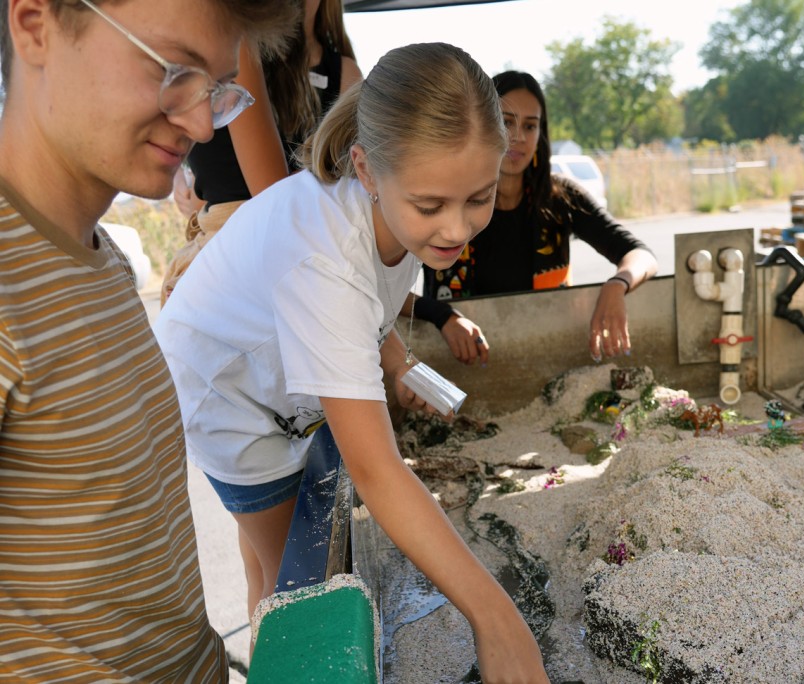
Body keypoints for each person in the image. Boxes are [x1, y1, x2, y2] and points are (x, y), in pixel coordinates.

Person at [154, 43, 549, 680]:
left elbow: (370, 301)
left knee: (264, 564)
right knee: (292, 584)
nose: (455, 228)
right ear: (365, 169)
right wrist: (495, 617)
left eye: (477, 199)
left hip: (250, 366)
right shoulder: (323, 255)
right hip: (224, 397)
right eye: (431, 207)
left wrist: (397, 362)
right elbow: (376, 469)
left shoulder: (389, 204)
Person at [0, 0, 294, 679]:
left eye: (217, 91)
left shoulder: (100, 258)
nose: (199, 122)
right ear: (35, 24)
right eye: (172, 70)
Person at [412, 70, 658, 365]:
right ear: (480, 124)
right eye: (505, 122)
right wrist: (442, 316)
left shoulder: (561, 199)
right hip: (453, 367)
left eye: (530, 126)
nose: (517, 137)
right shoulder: (444, 197)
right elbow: (380, 286)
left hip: (546, 366)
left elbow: (641, 255)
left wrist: (618, 284)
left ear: (541, 134)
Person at [160, 0, 363, 306]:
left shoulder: (342, 71)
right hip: (247, 258)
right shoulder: (240, 45)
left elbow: (354, 196)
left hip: (301, 253)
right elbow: (274, 196)